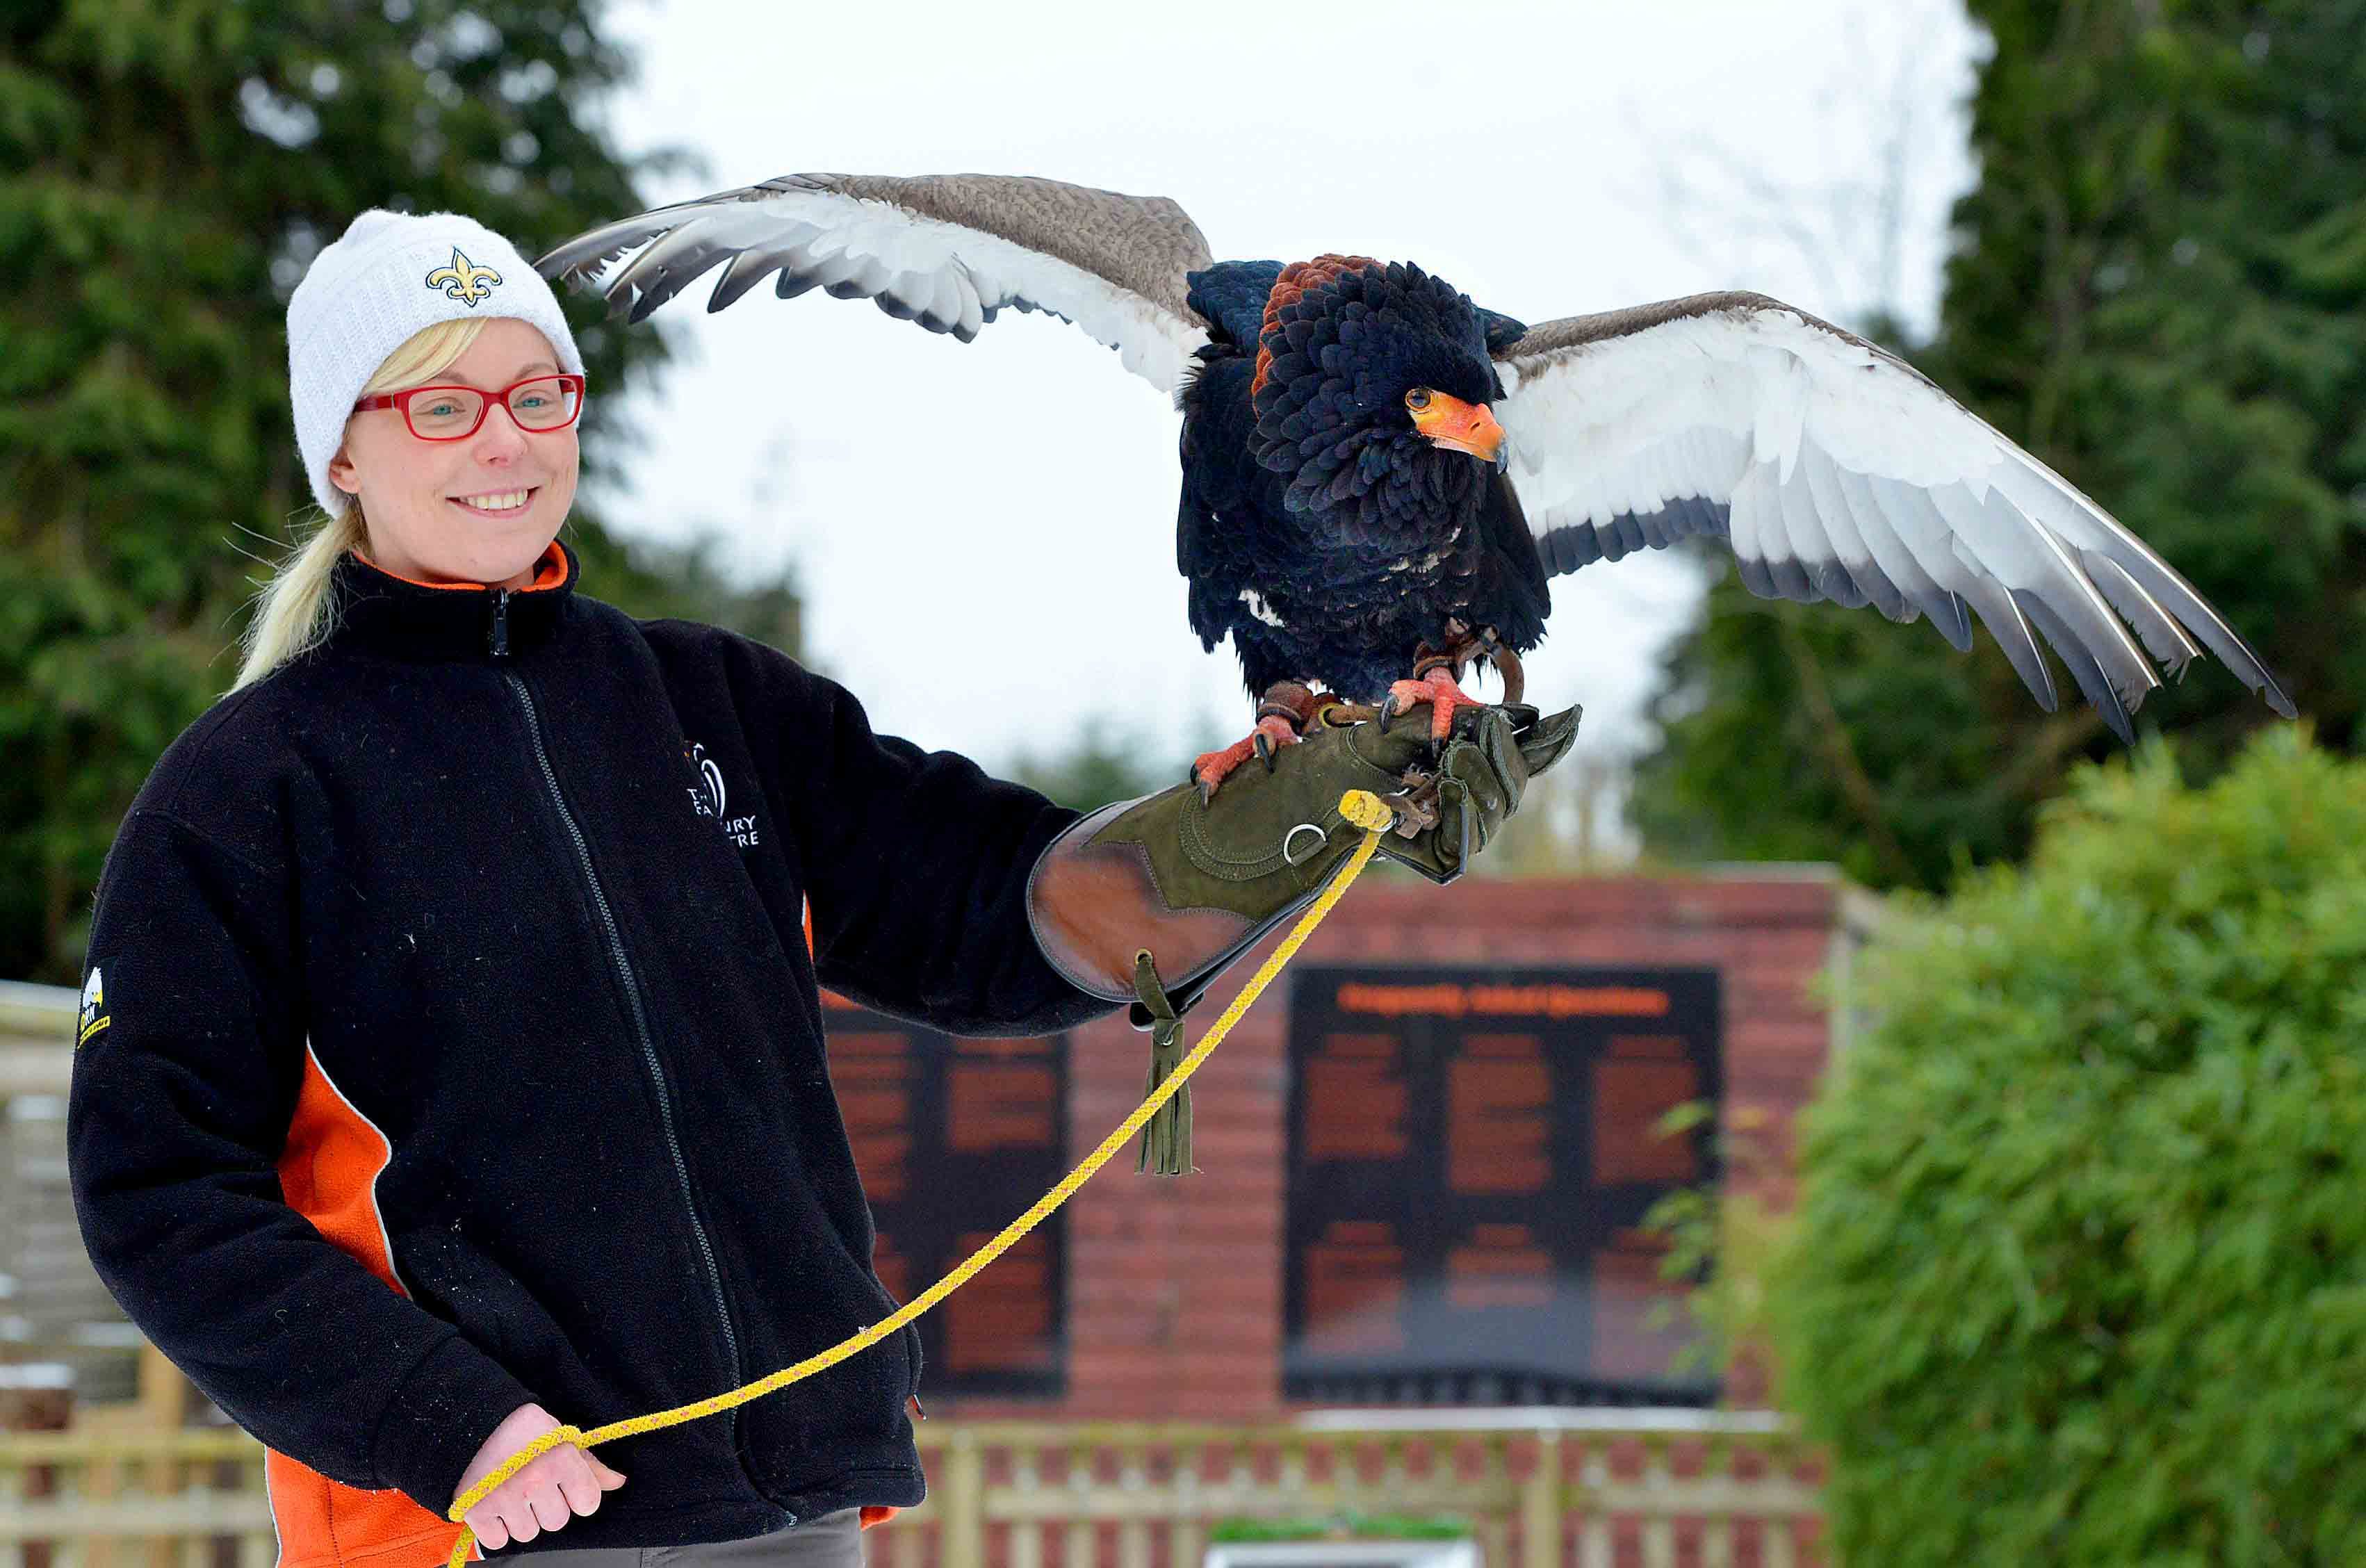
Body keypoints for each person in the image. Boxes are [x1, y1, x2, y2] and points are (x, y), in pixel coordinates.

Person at [64, 208, 1563, 1568]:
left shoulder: (712, 707)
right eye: (441, 408)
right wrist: (445, 1423)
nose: (503, 444)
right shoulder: (251, 792)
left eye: (539, 396)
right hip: (479, 1525)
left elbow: (1000, 906)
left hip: (786, 1514)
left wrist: (1264, 829)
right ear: (344, 451)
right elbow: (159, 1193)